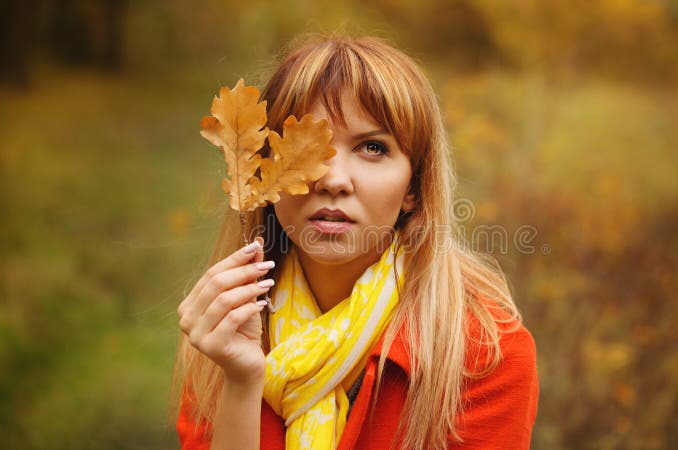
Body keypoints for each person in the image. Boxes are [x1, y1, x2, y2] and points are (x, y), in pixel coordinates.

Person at [173, 34, 538, 450]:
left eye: (372, 147)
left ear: (413, 188)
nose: (333, 179)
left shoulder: (484, 352)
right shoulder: (220, 331)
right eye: (305, 146)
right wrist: (240, 383)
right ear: (261, 175)